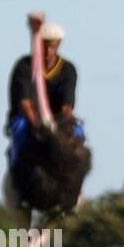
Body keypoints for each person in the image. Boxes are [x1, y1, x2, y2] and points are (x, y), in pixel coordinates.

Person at [6, 19, 83, 170]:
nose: (47, 51)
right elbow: (24, 102)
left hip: (57, 119)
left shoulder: (68, 69)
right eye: (44, 46)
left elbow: (67, 104)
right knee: (21, 131)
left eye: (52, 46)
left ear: (58, 45)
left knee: (79, 133)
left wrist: (60, 123)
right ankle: (16, 171)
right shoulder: (24, 67)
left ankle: (75, 180)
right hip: (29, 119)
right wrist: (38, 123)